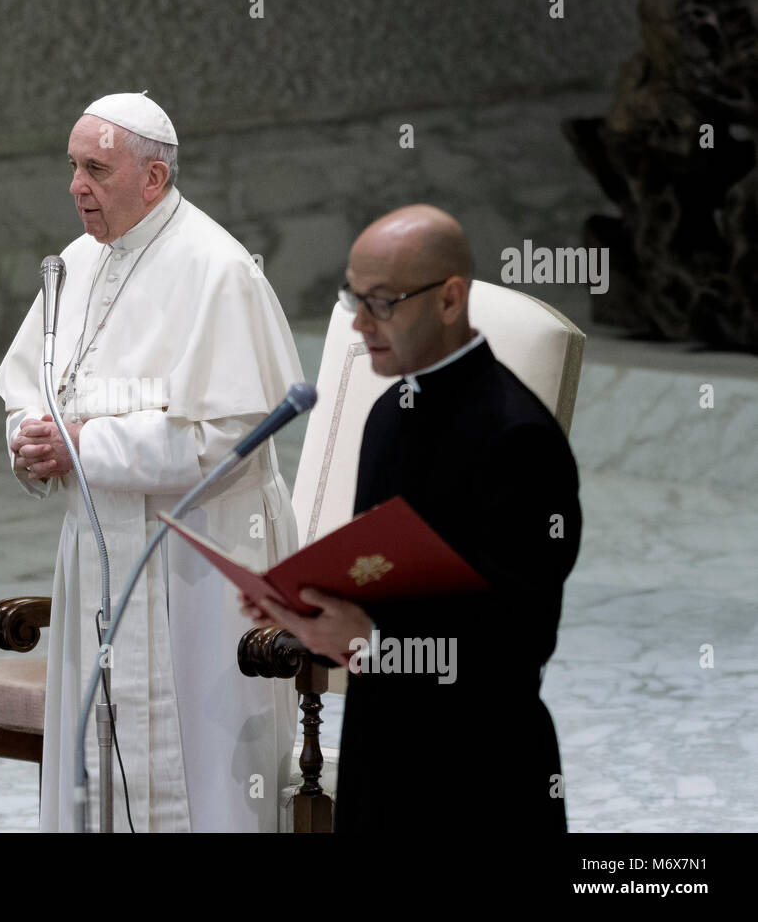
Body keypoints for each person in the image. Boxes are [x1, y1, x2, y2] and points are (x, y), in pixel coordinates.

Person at [0, 93, 303, 831]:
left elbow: (231, 439)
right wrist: (28, 442)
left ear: (154, 178)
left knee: (206, 785)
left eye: (96, 168)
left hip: (202, 561)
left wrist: (84, 443)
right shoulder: (71, 265)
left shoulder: (218, 269)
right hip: (97, 552)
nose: (76, 185)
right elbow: (28, 391)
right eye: (72, 166)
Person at [244, 204, 581, 832]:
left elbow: (517, 646)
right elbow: (388, 580)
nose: (362, 322)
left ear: (450, 299)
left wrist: (369, 645)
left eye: (383, 301)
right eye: (354, 298)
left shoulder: (517, 438)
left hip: (479, 776)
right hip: (382, 756)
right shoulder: (389, 414)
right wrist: (311, 607)